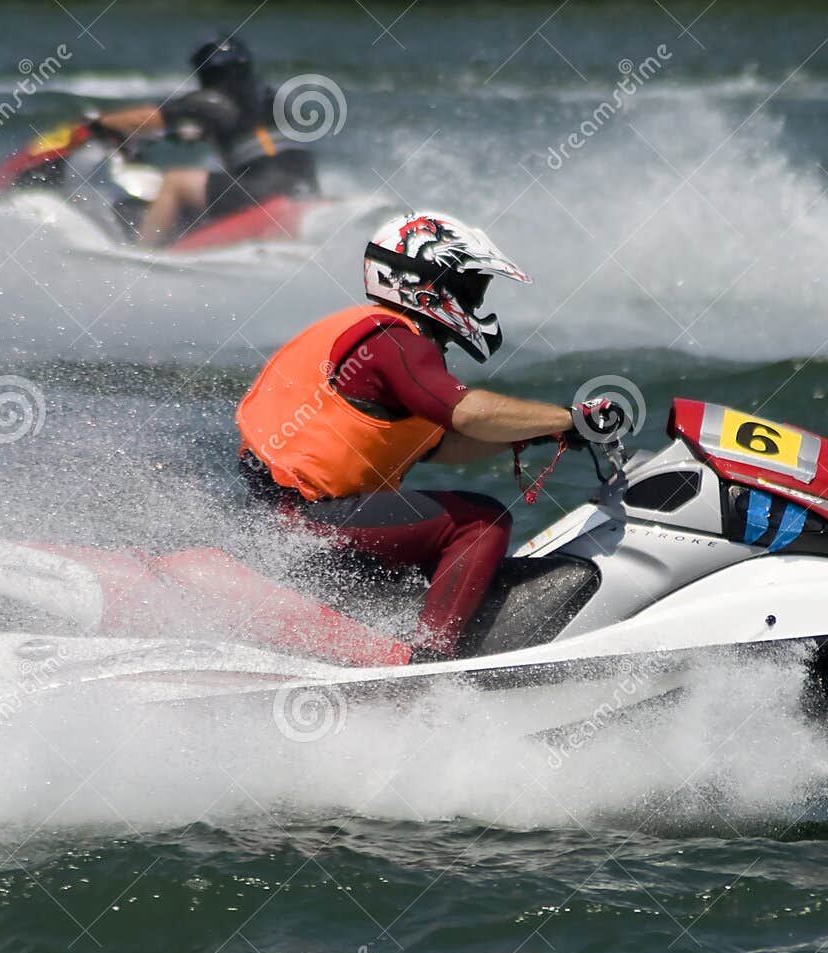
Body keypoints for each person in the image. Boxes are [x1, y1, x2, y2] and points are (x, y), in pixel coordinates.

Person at [235, 210, 628, 662]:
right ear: (422, 281)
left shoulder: (372, 336)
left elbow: (445, 447)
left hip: (283, 520)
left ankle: (405, 639)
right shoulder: (395, 342)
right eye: (468, 287)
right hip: (309, 521)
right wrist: (569, 417)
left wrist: (541, 435)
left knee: (450, 541)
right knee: (481, 523)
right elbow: (466, 413)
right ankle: (429, 661)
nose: (474, 301)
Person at [87, 33, 318, 246]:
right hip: (301, 189)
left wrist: (96, 124)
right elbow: (246, 131)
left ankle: (142, 253)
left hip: (261, 193)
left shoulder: (212, 100)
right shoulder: (272, 96)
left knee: (175, 182)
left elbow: (143, 119)